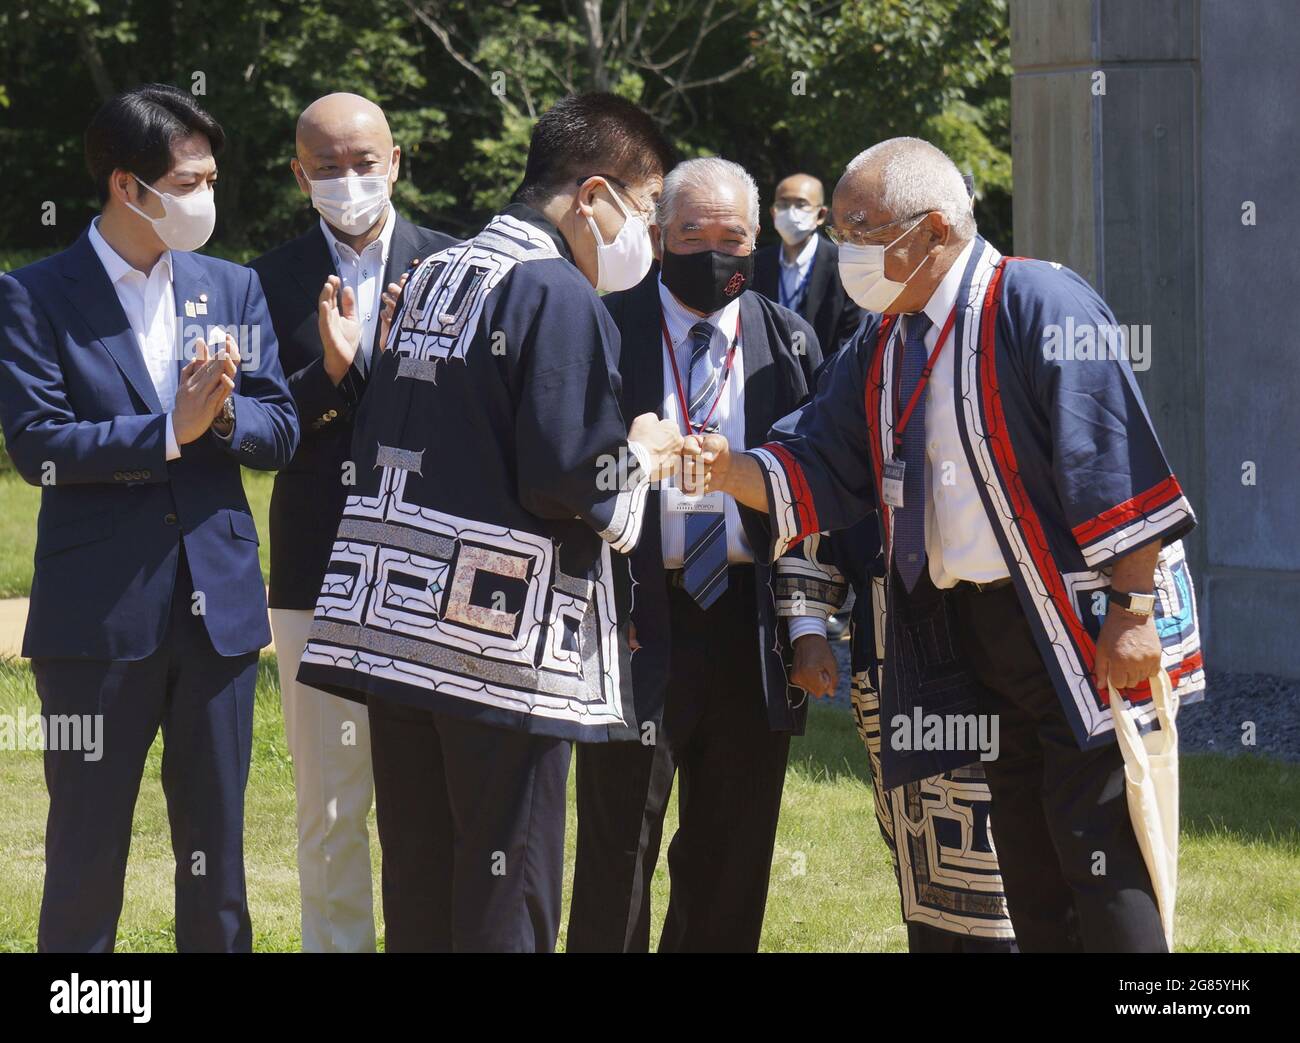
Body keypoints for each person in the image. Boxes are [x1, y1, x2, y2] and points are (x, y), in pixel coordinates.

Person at [706, 136, 1204, 953]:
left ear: (933, 229)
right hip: (974, 630)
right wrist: (724, 468)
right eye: (837, 226)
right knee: (1028, 858)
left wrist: (1132, 610)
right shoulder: (884, 340)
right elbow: (819, 460)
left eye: (860, 226)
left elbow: (1117, 462)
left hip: (1077, 623)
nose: (845, 249)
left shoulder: (1039, 301)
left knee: (1106, 855)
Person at [295, 92, 686, 953]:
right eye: (649, 209)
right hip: (496, 652)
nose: (648, 238)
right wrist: (648, 454)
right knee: (509, 890)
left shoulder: (435, 269)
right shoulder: (553, 290)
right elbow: (571, 478)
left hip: (397, 634)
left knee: (423, 888)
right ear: (594, 196)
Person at [0, 84, 298, 952]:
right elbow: (39, 445)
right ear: (129, 187)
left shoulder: (232, 285)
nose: (208, 196)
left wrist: (228, 418)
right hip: (95, 617)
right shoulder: (34, 295)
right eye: (191, 179)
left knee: (218, 850)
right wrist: (171, 431)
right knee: (86, 846)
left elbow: (278, 429)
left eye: (212, 177)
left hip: (220, 613)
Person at [568, 157, 823, 953]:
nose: (715, 252)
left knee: (732, 853)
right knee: (618, 850)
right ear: (656, 236)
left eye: (733, 237)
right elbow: (567, 473)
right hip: (635, 617)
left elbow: (813, 493)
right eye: (692, 234)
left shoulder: (789, 340)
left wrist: (809, 625)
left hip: (750, 624)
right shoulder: (605, 328)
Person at [249, 92, 457, 955]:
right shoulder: (260, 281)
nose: (348, 180)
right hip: (317, 572)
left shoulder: (458, 265)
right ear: (300, 175)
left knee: (434, 802)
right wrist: (332, 373)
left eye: (364, 162)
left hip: (436, 571)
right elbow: (257, 435)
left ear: (397, 161)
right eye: (327, 167)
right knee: (332, 802)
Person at [777, 518, 1017, 952]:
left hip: (1010, 650)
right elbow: (815, 509)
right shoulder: (862, 446)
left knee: (1018, 852)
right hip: (894, 660)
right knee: (927, 862)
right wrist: (807, 630)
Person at [753, 172, 861, 354]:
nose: (791, 212)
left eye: (801, 204)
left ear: (820, 214)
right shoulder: (757, 263)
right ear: (773, 212)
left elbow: (852, 335)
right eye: (784, 204)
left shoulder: (844, 264)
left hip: (824, 374)